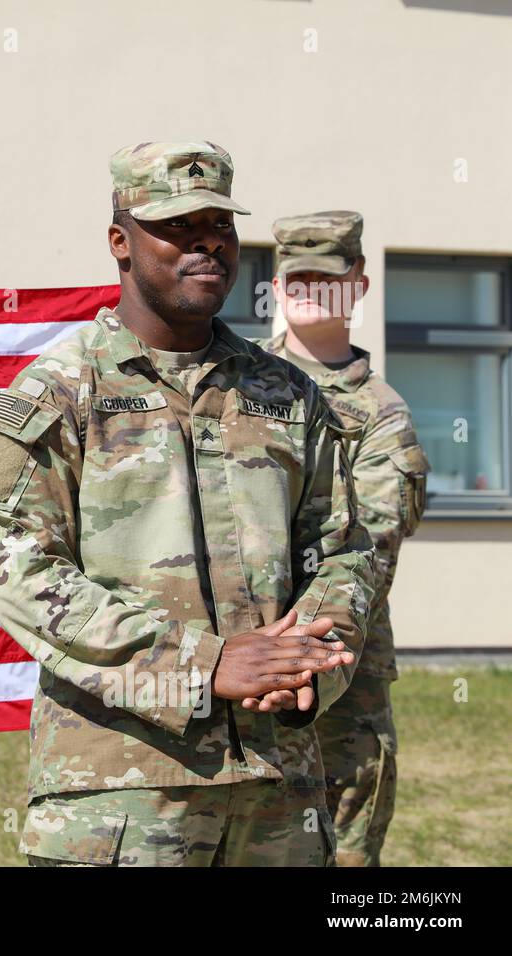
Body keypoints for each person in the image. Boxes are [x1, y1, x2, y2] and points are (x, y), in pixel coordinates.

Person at [0, 141, 376, 866]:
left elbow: (343, 550)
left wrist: (309, 664)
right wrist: (203, 665)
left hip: (279, 793)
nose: (207, 241)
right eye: (178, 226)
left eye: (219, 223)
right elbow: (24, 576)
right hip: (122, 796)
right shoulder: (57, 393)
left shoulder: (289, 394)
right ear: (120, 242)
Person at [260, 211, 429, 865]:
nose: (310, 290)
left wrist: (296, 659)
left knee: (343, 863)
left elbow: (371, 547)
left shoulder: (383, 414)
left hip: (340, 678)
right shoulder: (229, 383)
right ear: (274, 288)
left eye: (327, 277)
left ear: (358, 284)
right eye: (296, 277)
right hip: (233, 663)